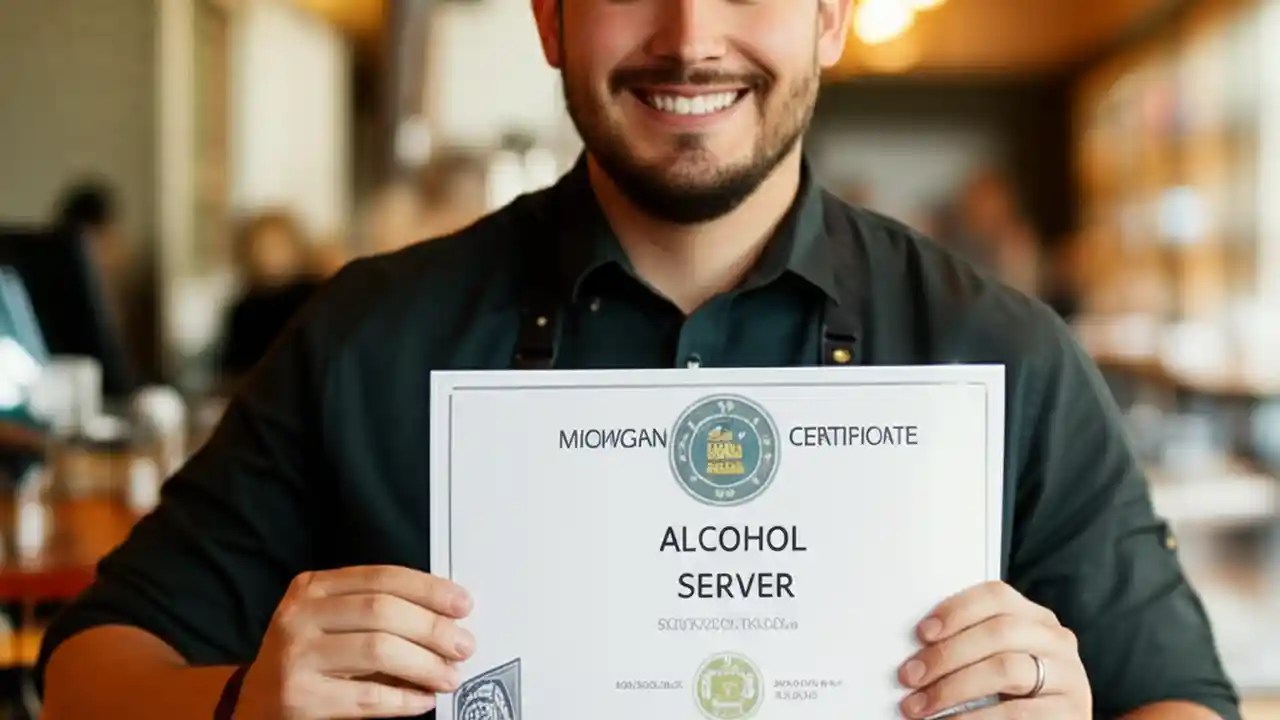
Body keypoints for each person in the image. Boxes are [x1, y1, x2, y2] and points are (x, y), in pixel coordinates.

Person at [37, 0, 1238, 718]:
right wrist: (249, 701)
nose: (686, 36)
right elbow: (89, 673)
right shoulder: (368, 335)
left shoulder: (1000, 351)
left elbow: (1180, 696)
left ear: (829, 12)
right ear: (549, 14)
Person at [216, 210, 322, 388]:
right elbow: (232, 369)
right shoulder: (245, 308)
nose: (269, 256)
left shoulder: (315, 297)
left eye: (277, 246)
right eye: (261, 247)